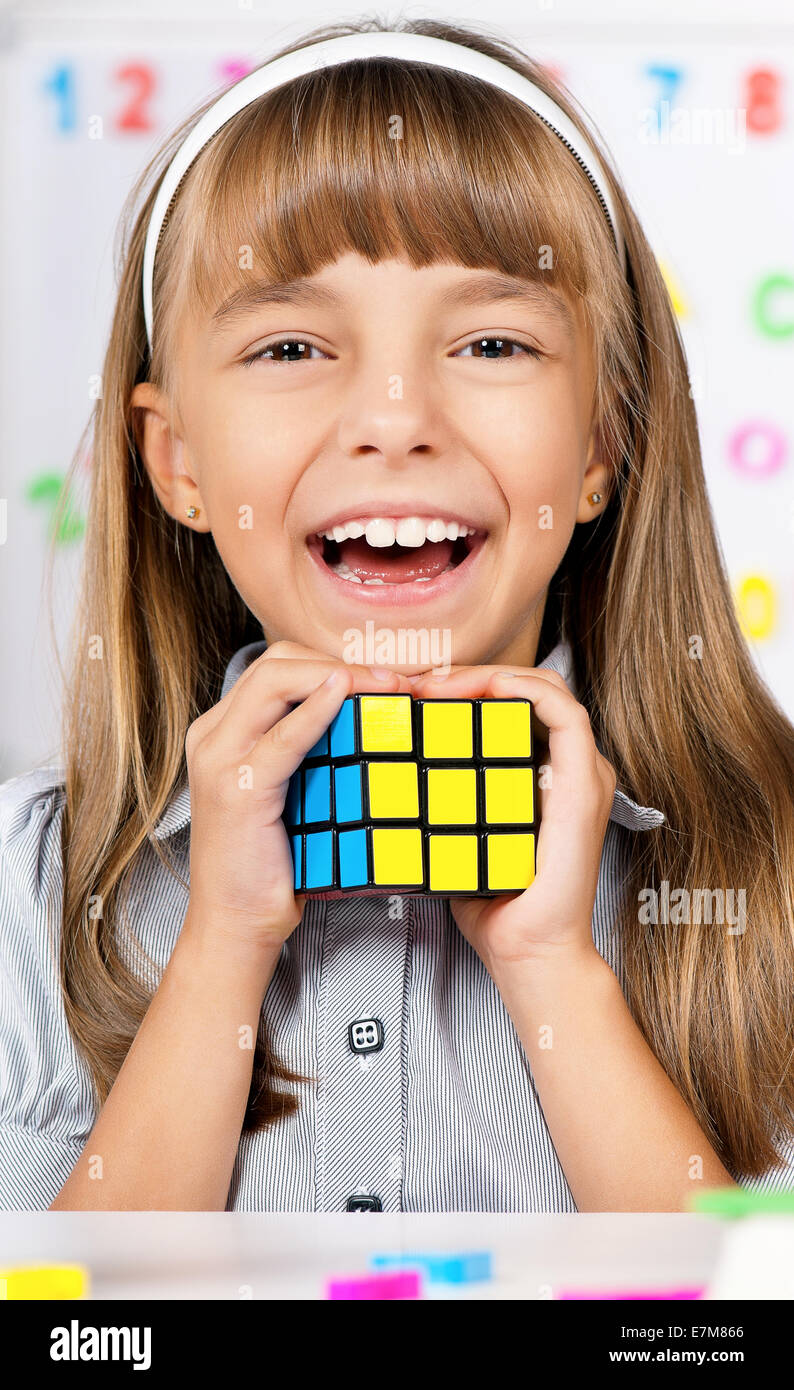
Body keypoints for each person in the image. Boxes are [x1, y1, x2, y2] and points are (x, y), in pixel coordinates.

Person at [2, 16, 793, 1213]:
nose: (392, 414)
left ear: (600, 442)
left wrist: (552, 972)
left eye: (488, 340)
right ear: (176, 462)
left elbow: (719, 1331)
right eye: (288, 344)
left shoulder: (766, 869)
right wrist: (219, 950)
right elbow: (71, 1332)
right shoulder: (31, 891)